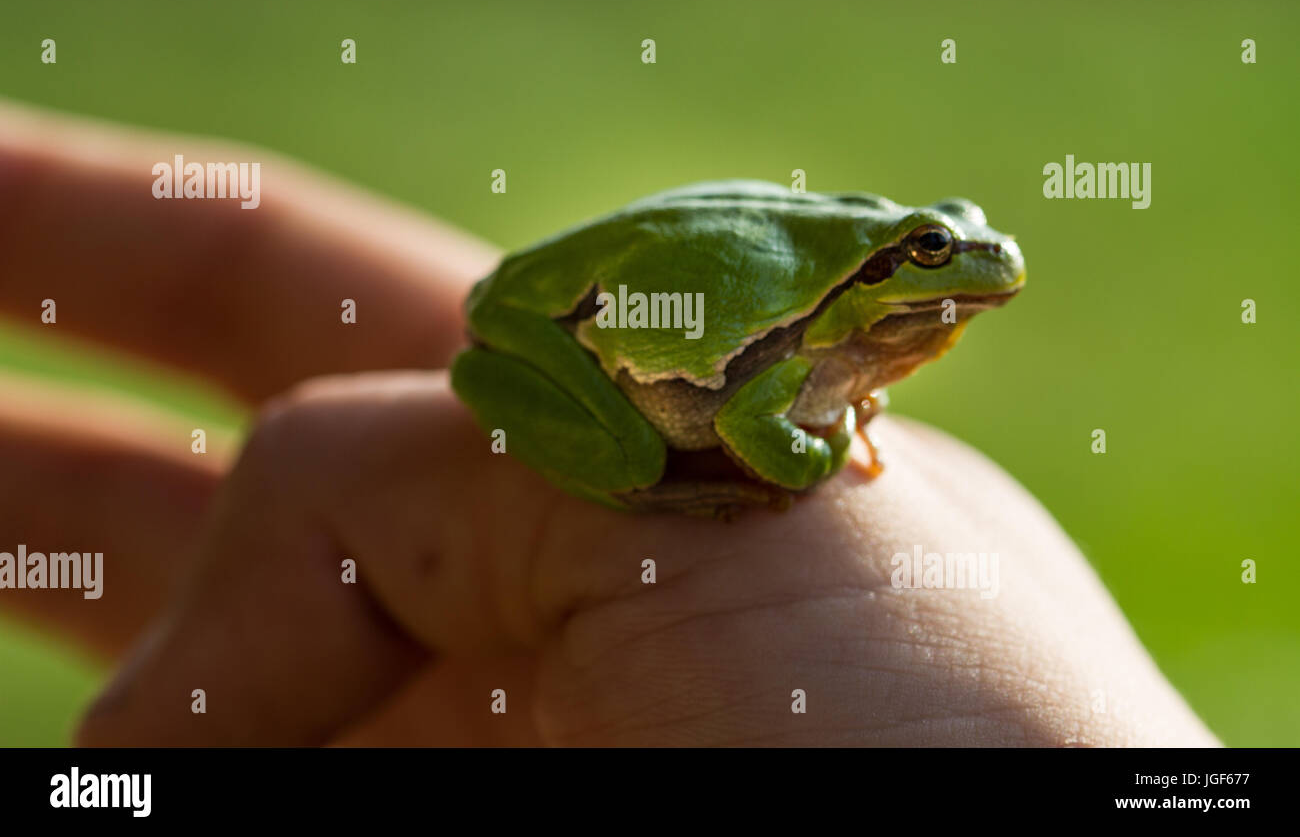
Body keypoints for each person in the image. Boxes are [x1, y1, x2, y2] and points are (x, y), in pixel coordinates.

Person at [0, 100, 1217, 746]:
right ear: (878, 267)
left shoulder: (836, 310)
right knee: (641, 446)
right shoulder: (801, 333)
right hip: (603, 360)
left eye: (949, 241)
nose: (968, 266)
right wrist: (812, 438)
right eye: (928, 253)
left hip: (654, 316)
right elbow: (751, 410)